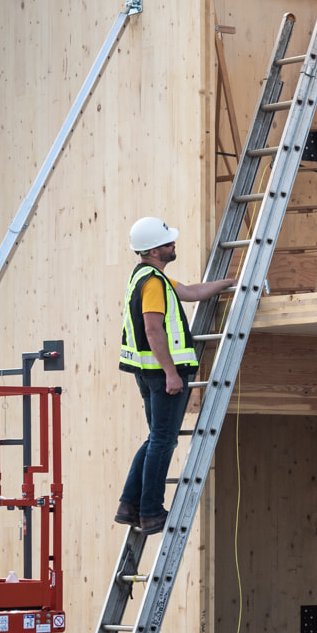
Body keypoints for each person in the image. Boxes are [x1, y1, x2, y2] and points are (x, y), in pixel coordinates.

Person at [115, 216, 234, 533]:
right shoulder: (153, 283)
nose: (173, 245)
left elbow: (193, 292)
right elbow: (153, 330)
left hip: (149, 373)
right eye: (168, 243)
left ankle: (129, 504)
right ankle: (151, 512)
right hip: (161, 375)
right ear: (154, 250)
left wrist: (227, 284)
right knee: (163, 442)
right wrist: (171, 373)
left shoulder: (149, 277)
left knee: (156, 439)